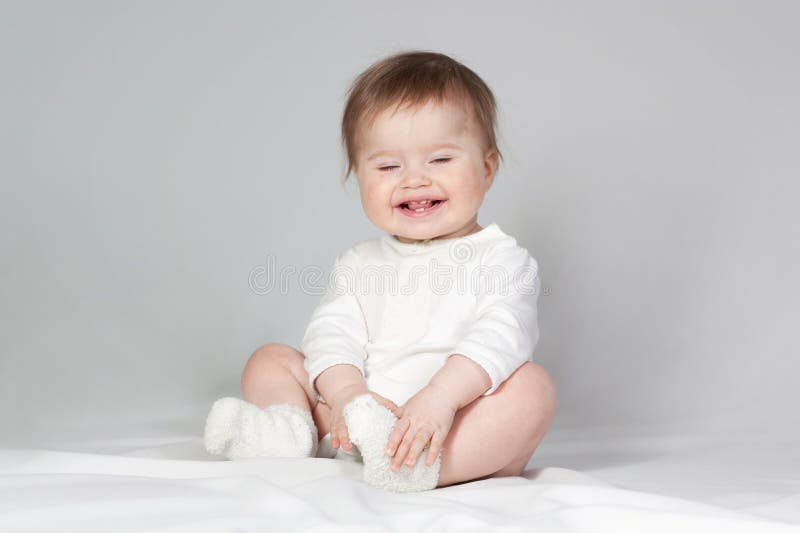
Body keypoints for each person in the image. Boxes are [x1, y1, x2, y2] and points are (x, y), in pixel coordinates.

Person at [204, 50, 557, 490]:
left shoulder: (503, 260)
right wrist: (350, 398)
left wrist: (437, 401)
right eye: (389, 166)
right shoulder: (359, 263)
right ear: (358, 177)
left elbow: (501, 337)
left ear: (486, 168)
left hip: (444, 427)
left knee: (532, 389)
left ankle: (415, 467)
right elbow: (332, 335)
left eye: (440, 160)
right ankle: (287, 433)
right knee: (270, 360)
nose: (414, 180)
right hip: (352, 421)